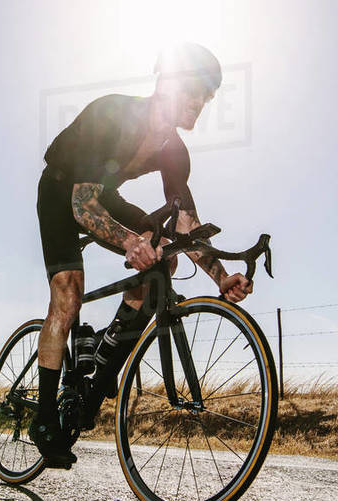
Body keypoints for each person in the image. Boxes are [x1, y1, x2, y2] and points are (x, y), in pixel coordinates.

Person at [32, 43, 253, 468]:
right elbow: (81, 204)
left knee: (165, 255)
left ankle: (109, 346)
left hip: (104, 195)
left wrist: (220, 277)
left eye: (207, 97)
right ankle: (43, 417)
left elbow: (186, 223)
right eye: (194, 91)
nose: (200, 103)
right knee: (68, 293)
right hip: (61, 190)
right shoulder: (113, 114)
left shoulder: (175, 152)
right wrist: (131, 243)